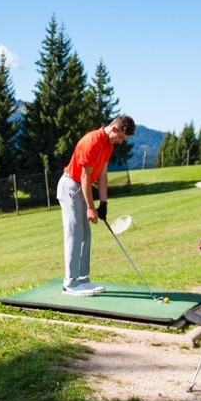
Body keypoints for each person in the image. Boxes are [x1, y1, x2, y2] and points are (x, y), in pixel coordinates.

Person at [58, 115, 135, 296]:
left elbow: (102, 175)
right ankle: (70, 283)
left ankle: (82, 280)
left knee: (86, 234)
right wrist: (91, 207)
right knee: (74, 233)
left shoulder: (108, 145)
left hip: (82, 187)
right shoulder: (91, 141)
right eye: (122, 137)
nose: (121, 142)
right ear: (114, 129)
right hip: (71, 186)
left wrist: (104, 203)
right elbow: (84, 176)